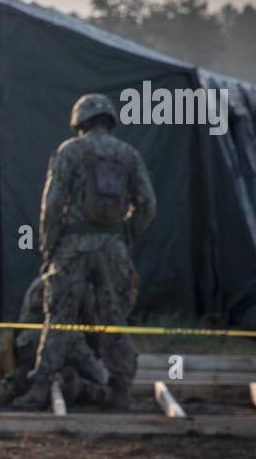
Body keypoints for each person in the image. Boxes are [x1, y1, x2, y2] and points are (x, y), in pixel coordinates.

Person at [14, 93, 156, 411]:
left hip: (73, 247)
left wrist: (49, 249)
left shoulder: (70, 151)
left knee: (58, 318)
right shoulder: (129, 155)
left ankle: (40, 387)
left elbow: (51, 205)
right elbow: (147, 205)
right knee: (114, 319)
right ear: (109, 120)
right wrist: (123, 236)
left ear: (80, 122)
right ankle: (120, 390)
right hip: (113, 248)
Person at [0, 270, 109, 406]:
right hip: (63, 340)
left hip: (27, 343)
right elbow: (92, 328)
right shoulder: (79, 285)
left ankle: (24, 382)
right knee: (102, 379)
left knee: (29, 371)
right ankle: (80, 387)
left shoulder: (40, 281)